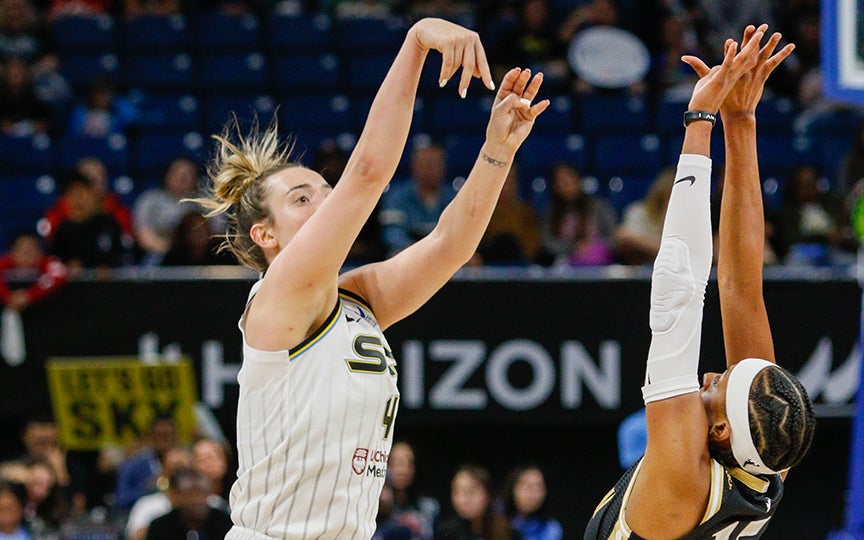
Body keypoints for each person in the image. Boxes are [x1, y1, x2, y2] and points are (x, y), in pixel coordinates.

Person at [193, 17, 548, 540]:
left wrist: (498, 148)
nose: (326, 201)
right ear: (265, 236)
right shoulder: (278, 297)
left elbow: (450, 246)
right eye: (302, 199)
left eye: (323, 189)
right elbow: (368, 173)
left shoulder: (355, 298)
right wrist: (417, 40)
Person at [585, 25, 816, 540]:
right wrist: (742, 123)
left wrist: (699, 122)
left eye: (716, 385)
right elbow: (740, 285)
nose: (711, 374)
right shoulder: (765, 453)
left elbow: (678, 297)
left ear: (719, 431)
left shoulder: (680, 478)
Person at [379, 143, 456, 257]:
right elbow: (392, 233)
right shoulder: (397, 195)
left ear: (443, 167)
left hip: (444, 254)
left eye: (434, 164)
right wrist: (418, 252)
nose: (429, 170)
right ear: (414, 166)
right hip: (408, 253)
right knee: (395, 255)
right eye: (425, 164)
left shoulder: (453, 197)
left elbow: (460, 232)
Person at [144, 468, 232, 540]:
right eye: (190, 494)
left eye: (202, 493)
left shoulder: (224, 522)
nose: (197, 500)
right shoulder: (160, 527)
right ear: (176, 496)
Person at [434, 465, 516, 540]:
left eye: (472, 491)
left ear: (489, 494)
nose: (464, 499)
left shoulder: (508, 530)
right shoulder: (445, 532)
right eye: (457, 491)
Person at [0, 232, 67, 313]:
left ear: (39, 252)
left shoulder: (48, 262)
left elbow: (59, 274)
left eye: (31, 250)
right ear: (13, 252)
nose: (26, 255)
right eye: (22, 250)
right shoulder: (5, 261)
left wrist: (29, 295)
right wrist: (7, 296)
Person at [388, 441, 439, 540]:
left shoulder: (429, 507)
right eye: (396, 463)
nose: (402, 470)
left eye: (408, 463)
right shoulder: (376, 508)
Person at [502, 465, 562, 540]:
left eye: (539, 487)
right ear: (512, 488)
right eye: (528, 486)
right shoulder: (495, 518)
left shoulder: (551, 528)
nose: (533, 493)